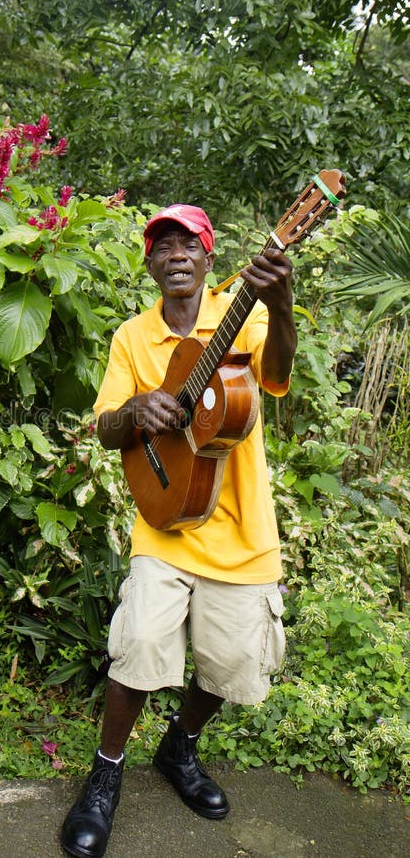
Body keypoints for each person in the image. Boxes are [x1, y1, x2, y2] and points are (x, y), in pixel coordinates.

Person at [61, 203, 297, 858]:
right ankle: (106, 775)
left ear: (207, 254)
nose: (175, 254)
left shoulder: (242, 317)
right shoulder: (132, 338)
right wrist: (136, 409)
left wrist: (280, 307)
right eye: (161, 245)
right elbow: (106, 430)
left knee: (230, 668)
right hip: (165, 521)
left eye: (186, 243)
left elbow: (275, 375)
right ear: (149, 262)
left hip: (242, 527)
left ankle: (179, 748)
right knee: (137, 644)